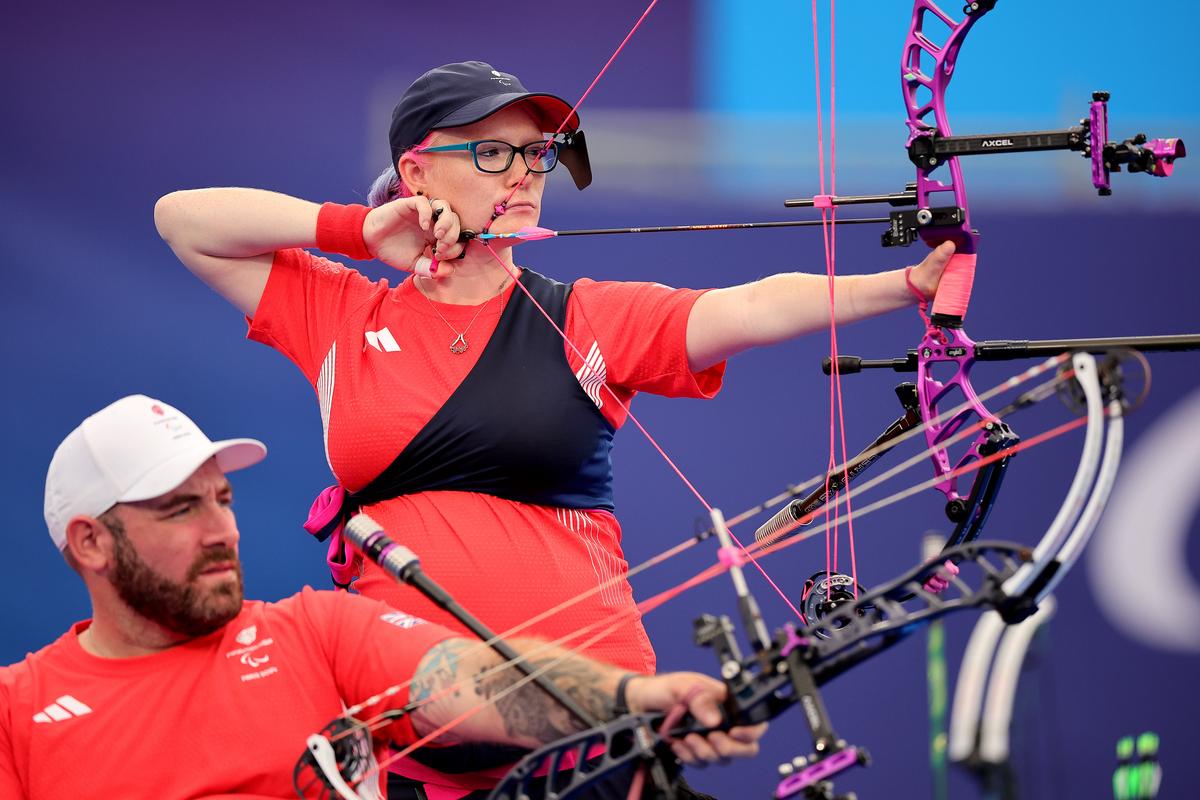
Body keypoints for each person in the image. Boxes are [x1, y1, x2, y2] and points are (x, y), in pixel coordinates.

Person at [153, 60, 949, 794]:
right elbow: (182, 219)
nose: (525, 173)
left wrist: (907, 283)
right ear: (416, 172)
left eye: (537, 154)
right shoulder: (344, 315)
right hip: (415, 734)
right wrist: (355, 231)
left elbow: (749, 307)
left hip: (592, 729)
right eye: (491, 152)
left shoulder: (584, 318)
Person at [0, 395, 765, 800]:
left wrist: (634, 698)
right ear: (91, 543)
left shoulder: (313, 631)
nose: (222, 530)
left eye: (223, 500)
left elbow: (481, 681)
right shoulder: (16, 712)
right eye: (180, 510)